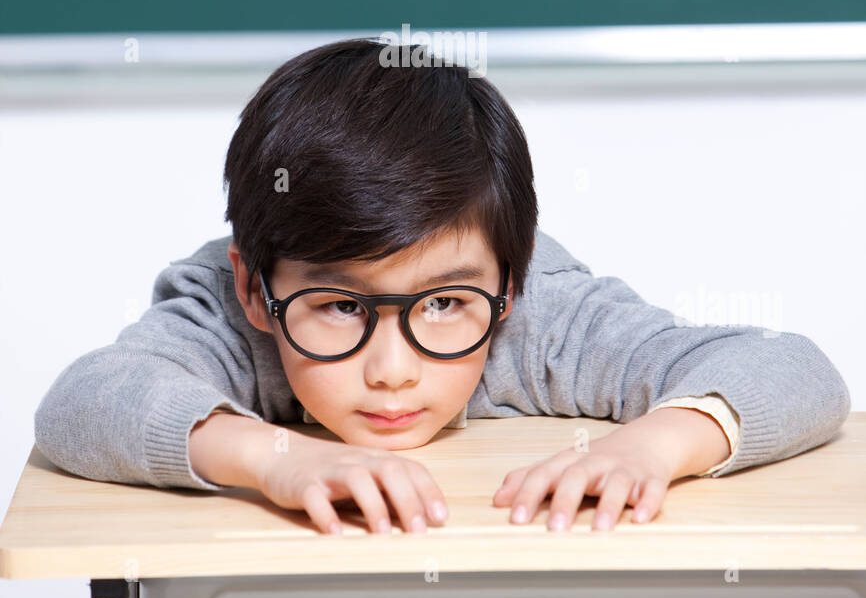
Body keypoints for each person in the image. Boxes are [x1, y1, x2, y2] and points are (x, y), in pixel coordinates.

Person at [34, 37, 850, 536]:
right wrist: (272, 457)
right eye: (341, 307)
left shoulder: (539, 318)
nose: (393, 370)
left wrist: (654, 445)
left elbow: (793, 367)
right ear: (255, 290)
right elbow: (82, 401)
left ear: (511, 279)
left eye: (445, 305)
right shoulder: (226, 314)